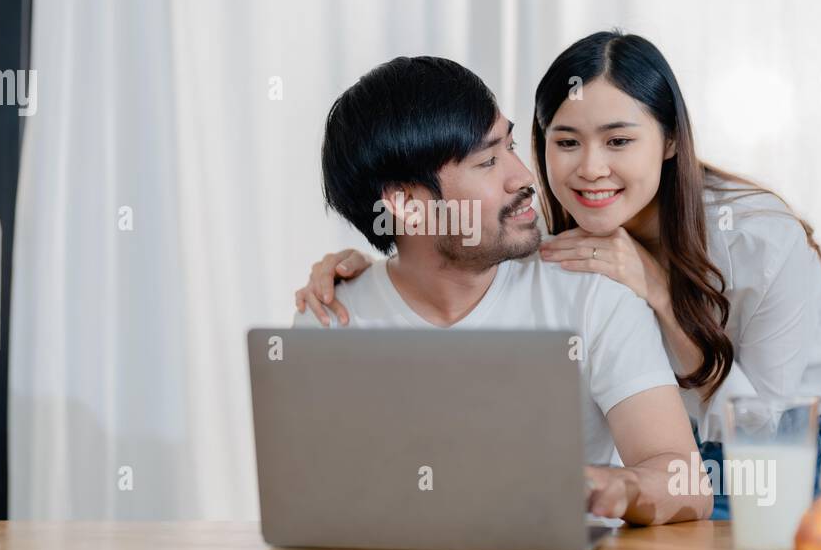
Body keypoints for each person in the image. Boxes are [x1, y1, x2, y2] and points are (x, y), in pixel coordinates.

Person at [297, 32, 821, 520]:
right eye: (563, 142)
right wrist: (370, 270)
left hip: (816, 432)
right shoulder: (559, 223)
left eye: (619, 140)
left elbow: (762, 422)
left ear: (669, 141)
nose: (588, 168)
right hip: (698, 444)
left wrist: (657, 293)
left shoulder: (756, 237)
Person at [294, 54, 711, 526]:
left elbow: (688, 486)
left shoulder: (593, 291)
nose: (523, 176)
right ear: (407, 206)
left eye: (510, 146)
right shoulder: (330, 318)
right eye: (488, 161)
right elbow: (316, 501)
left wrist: (619, 485)